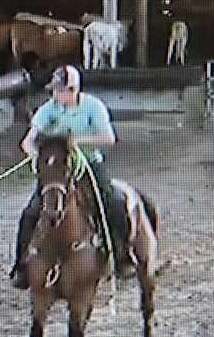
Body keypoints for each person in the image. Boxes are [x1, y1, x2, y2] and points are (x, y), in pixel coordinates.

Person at [9, 64, 128, 290]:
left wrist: (78, 141)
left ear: (72, 89)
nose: (55, 95)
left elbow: (108, 138)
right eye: (54, 90)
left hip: (89, 165)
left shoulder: (93, 107)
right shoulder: (48, 109)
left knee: (112, 201)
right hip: (57, 170)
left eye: (59, 90)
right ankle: (22, 264)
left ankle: (121, 254)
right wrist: (36, 154)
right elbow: (28, 140)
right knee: (32, 211)